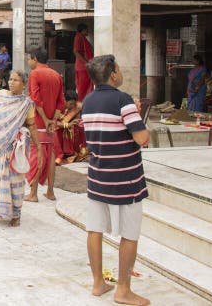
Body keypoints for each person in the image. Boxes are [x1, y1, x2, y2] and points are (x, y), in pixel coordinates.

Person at [82, 54, 150, 305]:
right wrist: (137, 113)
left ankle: (98, 282)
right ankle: (123, 289)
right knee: (130, 234)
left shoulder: (88, 101)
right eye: (119, 69)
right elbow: (141, 138)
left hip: (98, 176)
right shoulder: (123, 100)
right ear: (112, 74)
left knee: (94, 229)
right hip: (126, 179)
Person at [0, 69, 42, 227]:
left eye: (16, 80)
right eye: (10, 79)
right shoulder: (1, 95)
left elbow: (32, 126)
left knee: (15, 181)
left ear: (23, 84)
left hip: (14, 149)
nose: (11, 82)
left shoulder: (26, 103)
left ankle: (15, 215)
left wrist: (39, 147)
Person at [25, 48, 65, 203]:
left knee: (38, 155)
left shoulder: (35, 74)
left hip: (39, 121)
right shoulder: (56, 75)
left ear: (34, 58)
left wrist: (45, 119)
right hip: (50, 122)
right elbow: (61, 101)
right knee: (51, 155)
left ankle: (33, 193)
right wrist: (53, 120)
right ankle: (50, 191)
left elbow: (35, 98)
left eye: (29, 59)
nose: (29, 62)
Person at [54, 91, 87, 164]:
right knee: (56, 132)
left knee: (80, 128)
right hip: (58, 128)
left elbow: (78, 119)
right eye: (70, 104)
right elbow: (54, 122)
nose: (72, 106)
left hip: (71, 129)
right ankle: (60, 156)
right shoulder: (57, 107)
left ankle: (77, 152)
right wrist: (67, 125)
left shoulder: (77, 107)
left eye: (74, 104)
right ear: (64, 101)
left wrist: (75, 122)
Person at [73, 23, 94, 101]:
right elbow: (76, 51)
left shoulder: (82, 38)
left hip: (85, 67)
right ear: (83, 30)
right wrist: (86, 62)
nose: (88, 31)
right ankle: (81, 104)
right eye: (86, 29)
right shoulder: (78, 37)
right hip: (82, 68)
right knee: (82, 87)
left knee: (86, 87)